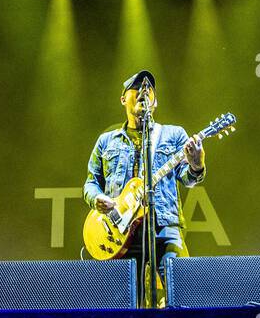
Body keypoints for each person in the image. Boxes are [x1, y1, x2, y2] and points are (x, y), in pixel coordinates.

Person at [83, 70, 205, 303]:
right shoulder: (106, 141)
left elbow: (187, 178)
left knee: (182, 294)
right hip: (120, 231)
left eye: (148, 90)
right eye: (136, 88)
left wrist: (197, 165)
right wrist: (96, 199)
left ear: (155, 102)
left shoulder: (173, 134)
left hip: (163, 226)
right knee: (125, 305)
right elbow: (90, 183)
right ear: (123, 99)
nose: (143, 91)